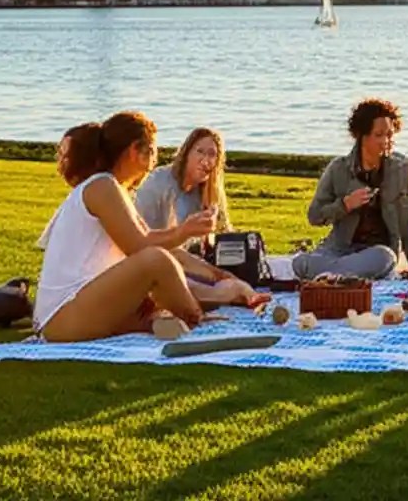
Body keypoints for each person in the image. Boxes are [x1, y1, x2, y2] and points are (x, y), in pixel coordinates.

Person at [35, 111, 260, 342]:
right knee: (155, 260)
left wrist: (218, 274)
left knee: (152, 301)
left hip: (79, 308)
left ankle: (166, 318)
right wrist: (184, 231)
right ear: (134, 151)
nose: (153, 163)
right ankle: (196, 319)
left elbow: (155, 240)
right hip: (63, 317)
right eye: (152, 152)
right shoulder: (102, 186)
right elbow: (141, 247)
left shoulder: (113, 189)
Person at [294, 98, 408, 279]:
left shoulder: (401, 169)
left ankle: (330, 275)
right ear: (361, 136)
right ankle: (341, 275)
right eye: (379, 135)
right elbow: (315, 216)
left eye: (390, 135)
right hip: (340, 249)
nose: (386, 141)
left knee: (385, 257)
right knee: (300, 263)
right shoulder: (338, 168)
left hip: (376, 253)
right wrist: (345, 205)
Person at [135, 127, 233, 243]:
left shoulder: (210, 191)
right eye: (200, 151)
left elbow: (224, 230)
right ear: (186, 153)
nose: (205, 161)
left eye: (212, 154)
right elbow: (141, 237)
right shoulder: (158, 182)